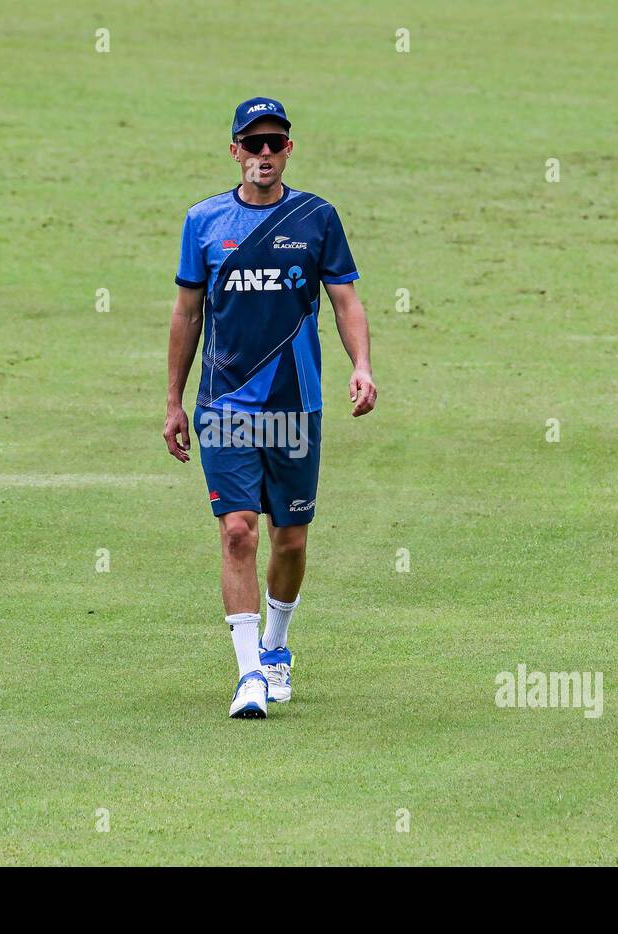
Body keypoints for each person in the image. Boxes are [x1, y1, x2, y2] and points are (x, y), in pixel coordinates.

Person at [163, 97, 378, 718]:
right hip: (223, 405)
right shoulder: (203, 222)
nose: (263, 154)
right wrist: (173, 402)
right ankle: (249, 674)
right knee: (237, 532)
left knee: (289, 540)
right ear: (234, 150)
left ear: (289, 150)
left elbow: (345, 300)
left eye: (274, 144)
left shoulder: (317, 218)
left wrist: (361, 365)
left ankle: (278, 647)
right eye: (252, 144)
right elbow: (186, 313)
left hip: (296, 406)